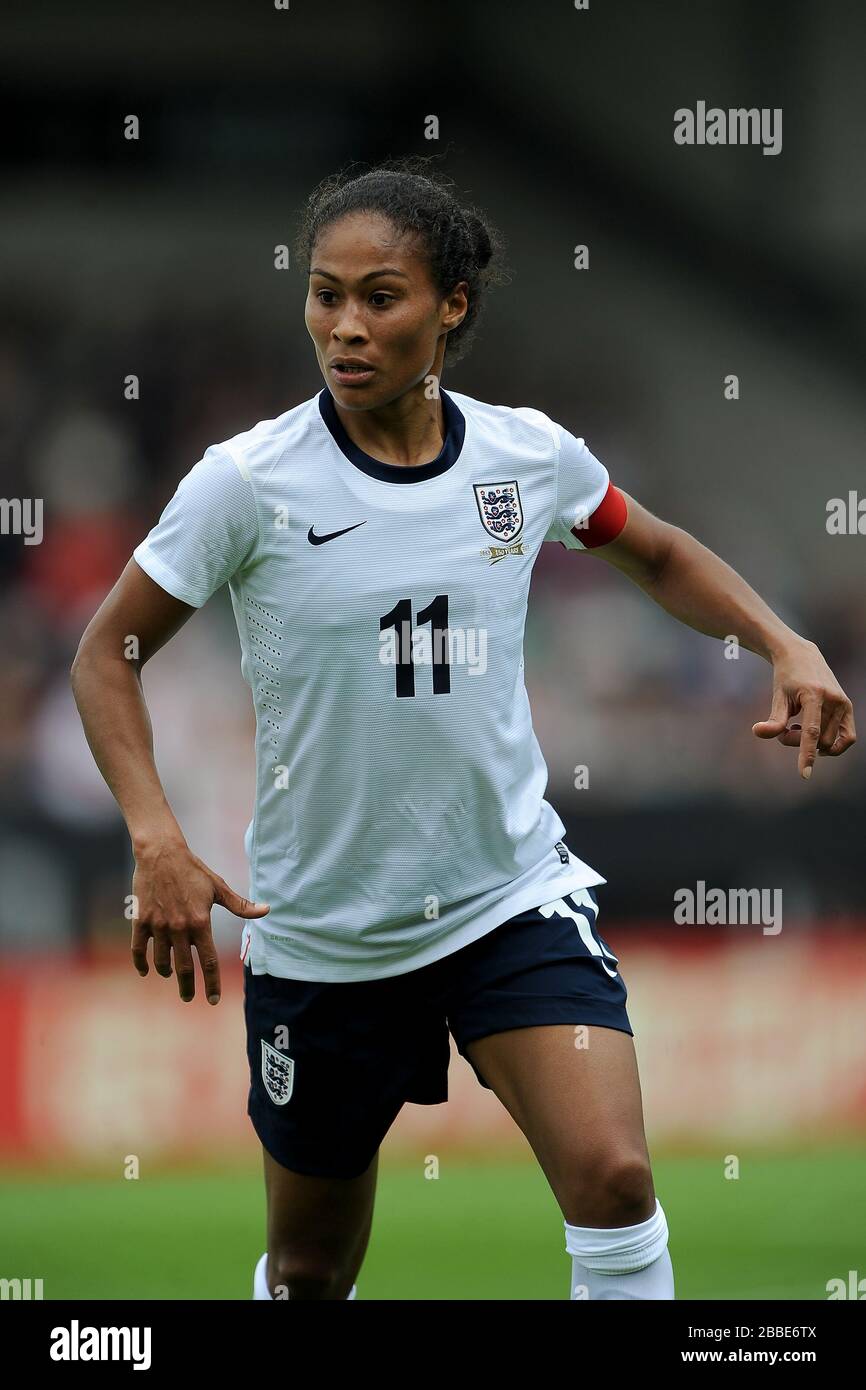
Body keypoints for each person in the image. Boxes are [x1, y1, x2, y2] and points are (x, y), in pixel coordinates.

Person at [71, 158, 856, 1301]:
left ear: (452, 307)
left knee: (616, 1179)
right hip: (327, 931)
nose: (342, 326)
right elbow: (106, 654)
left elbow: (656, 549)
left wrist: (779, 640)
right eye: (322, 294)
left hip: (504, 898)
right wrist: (155, 833)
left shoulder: (522, 455)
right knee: (307, 1268)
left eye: (378, 296)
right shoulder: (246, 482)